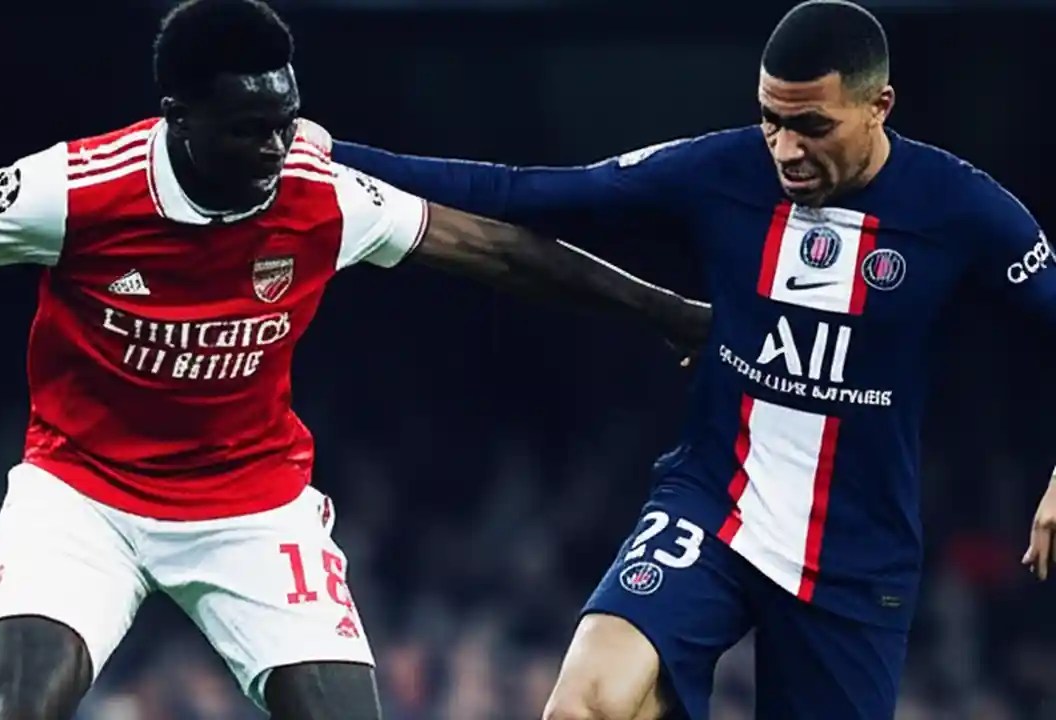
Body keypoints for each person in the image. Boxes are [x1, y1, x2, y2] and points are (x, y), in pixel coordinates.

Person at [0, 1, 708, 718]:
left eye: (286, 120)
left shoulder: (321, 194)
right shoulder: (75, 191)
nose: (276, 146)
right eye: (247, 128)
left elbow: (497, 251)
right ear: (176, 117)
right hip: (80, 498)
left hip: (251, 508)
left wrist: (667, 312)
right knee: (19, 704)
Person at [331, 1, 1056, 718]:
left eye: (812, 127)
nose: (786, 149)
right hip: (713, 505)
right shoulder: (721, 170)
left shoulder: (962, 209)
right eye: (771, 120)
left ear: (879, 107)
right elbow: (527, 191)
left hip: (854, 554)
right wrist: (325, 156)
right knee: (585, 706)